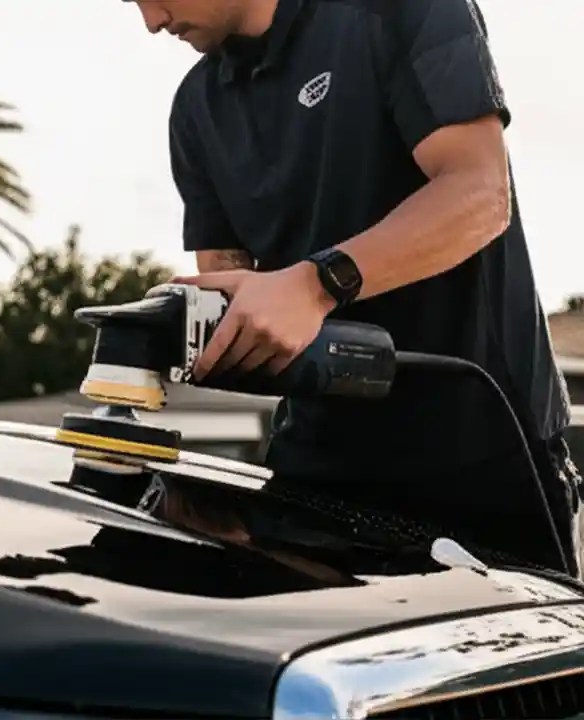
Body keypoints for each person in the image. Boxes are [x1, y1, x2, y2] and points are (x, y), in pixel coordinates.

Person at [128, 0, 583, 576]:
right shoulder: (195, 110)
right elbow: (232, 296)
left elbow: (480, 194)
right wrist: (176, 334)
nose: (151, 20)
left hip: (487, 457)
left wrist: (318, 285)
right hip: (316, 470)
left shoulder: (400, 12)